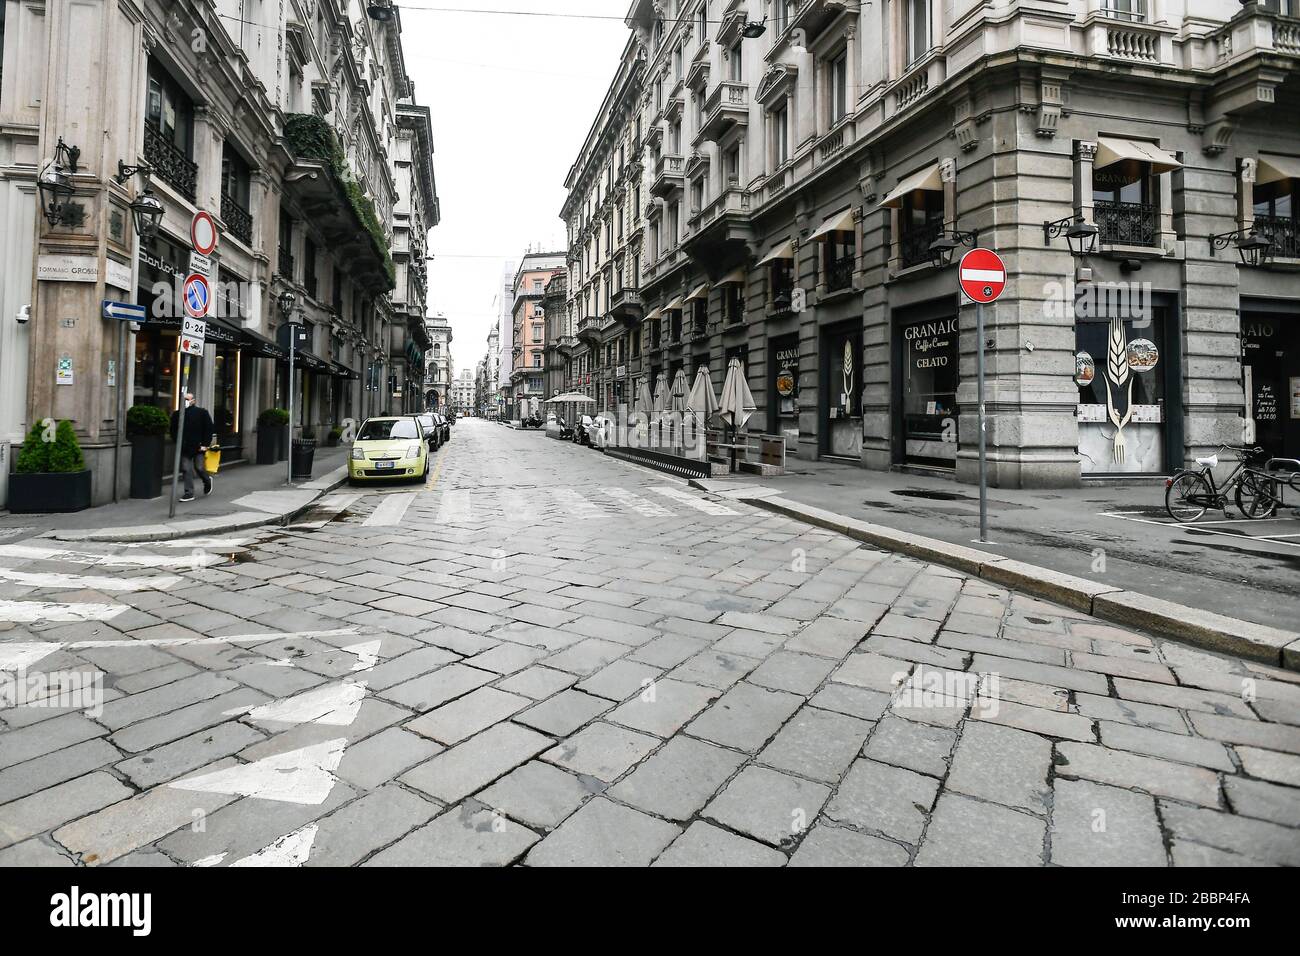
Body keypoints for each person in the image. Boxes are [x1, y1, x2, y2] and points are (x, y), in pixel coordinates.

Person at [170, 392, 215, 503]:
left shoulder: (202, 413)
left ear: (193, 400)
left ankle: (207, 480)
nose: (185, 401)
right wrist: (178, 442)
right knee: (186, 468)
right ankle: (189, 492)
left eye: (188, 399)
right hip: (185, 447)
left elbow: (208, 429)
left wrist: (205, 444)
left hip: (199, 446)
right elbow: (173, 430)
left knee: (199, 467)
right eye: (184, 399)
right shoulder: (177, 414)